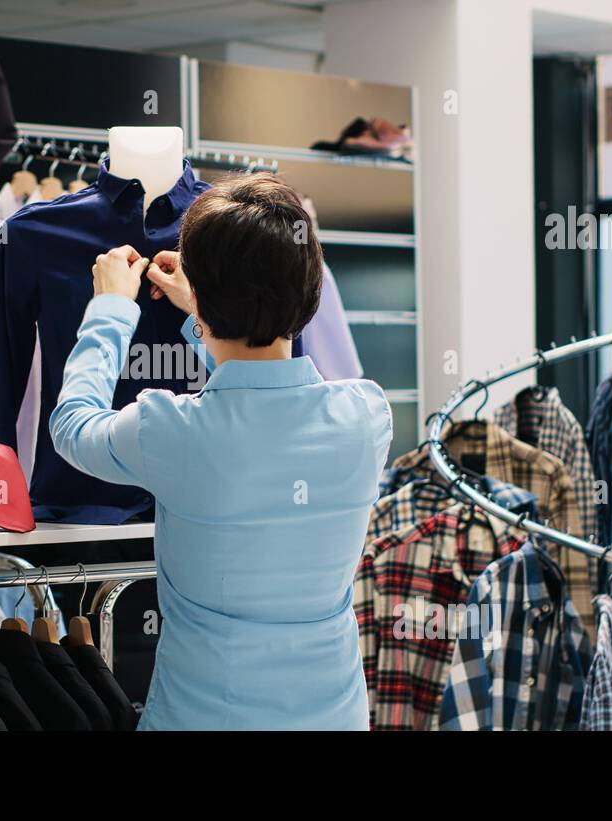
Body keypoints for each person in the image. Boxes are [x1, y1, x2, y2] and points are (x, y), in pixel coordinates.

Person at [49, 175, 393, 730]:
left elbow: (72, 427)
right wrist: (205, 315)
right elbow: (264, 407)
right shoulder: (366, 416)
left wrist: (112, 308)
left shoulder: (168, 430)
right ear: (309, 292)